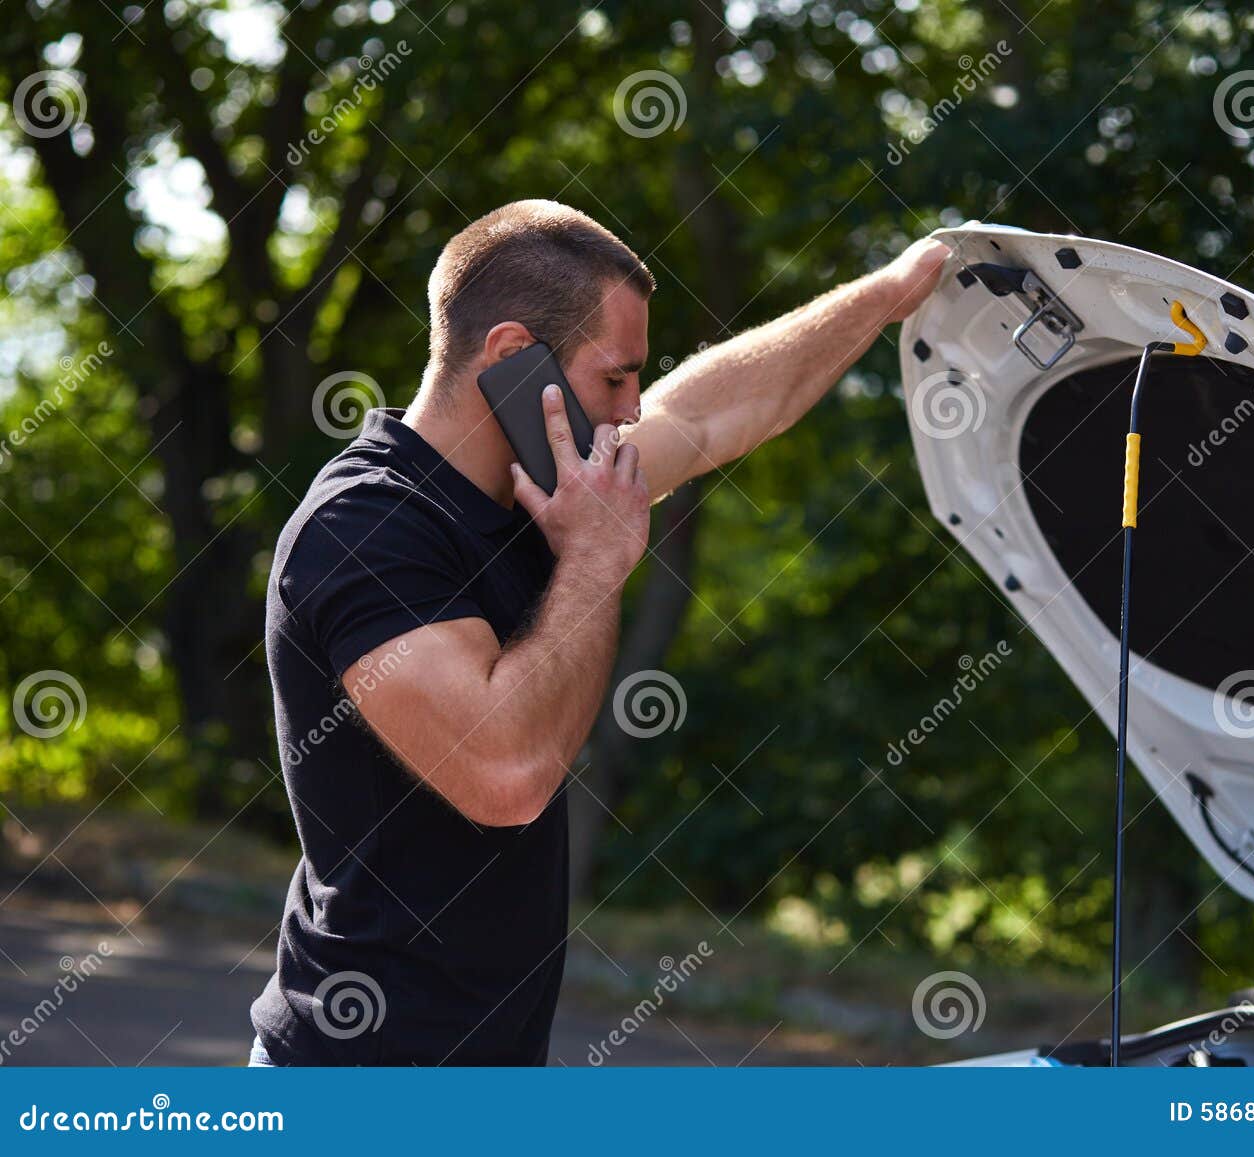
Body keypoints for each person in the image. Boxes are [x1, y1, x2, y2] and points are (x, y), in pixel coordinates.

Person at [249, 199, 947, 1065]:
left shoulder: (550, 480)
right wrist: (594, 559)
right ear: (510, 357)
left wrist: (891, 292)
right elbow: (504, 773)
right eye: (614, 377)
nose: (630, 409)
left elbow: (713, 414)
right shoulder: (366, 529)